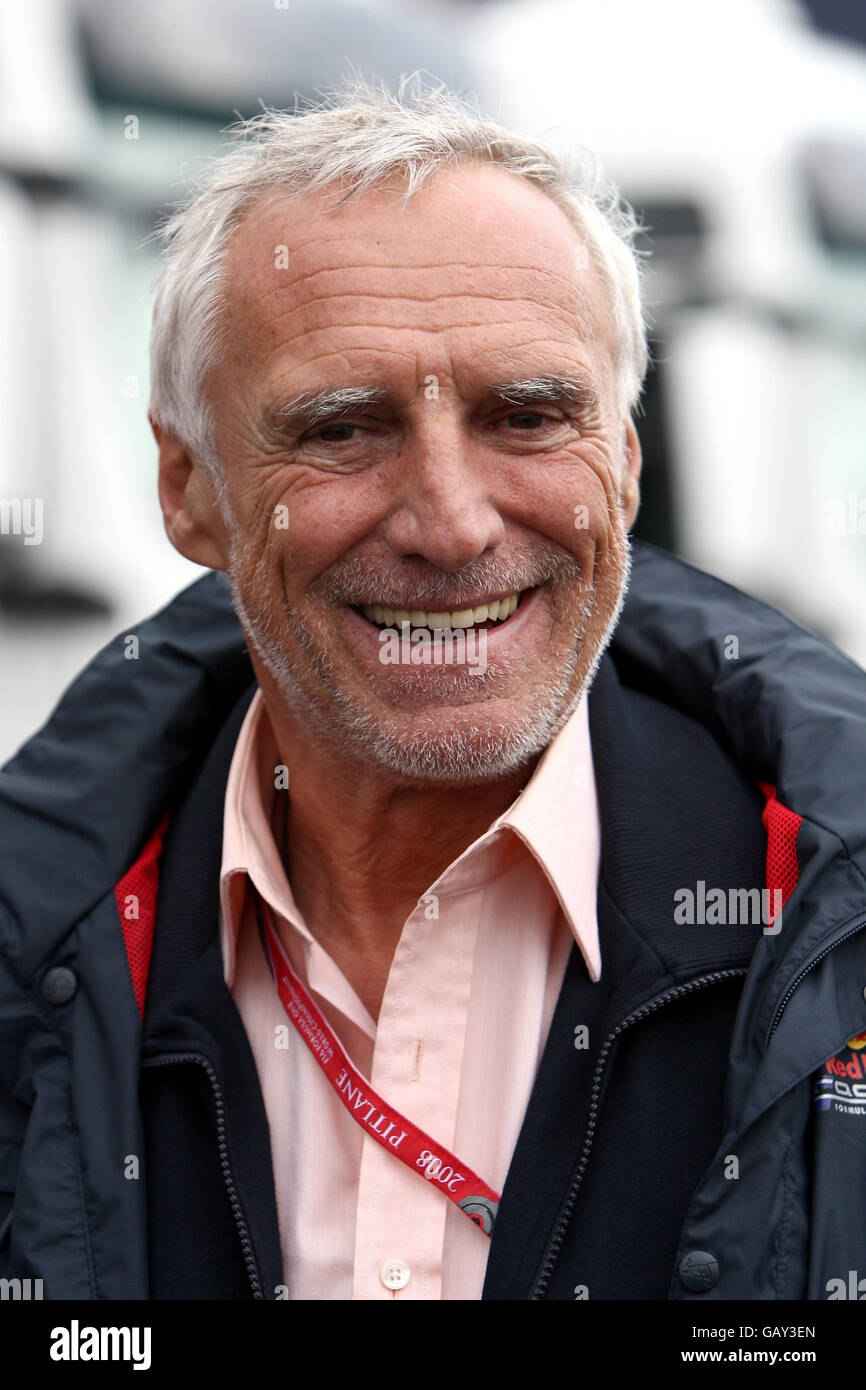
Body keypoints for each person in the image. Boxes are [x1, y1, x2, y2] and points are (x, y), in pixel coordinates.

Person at [1, 78, 865, 1303]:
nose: (451, 526)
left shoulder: (831, 927)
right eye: (343, 428)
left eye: (525, 415)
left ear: (620, 465)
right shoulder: (37, 938)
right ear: (189, 487)